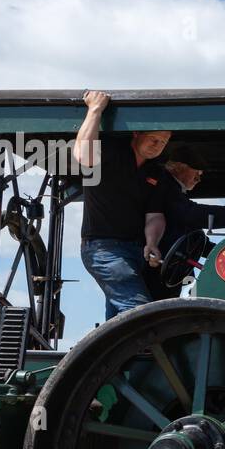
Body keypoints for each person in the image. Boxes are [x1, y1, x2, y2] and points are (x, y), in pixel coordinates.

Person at [72, 90, 170, 319]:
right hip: (104, 250)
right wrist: (95, 109)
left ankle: (116, 355)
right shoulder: (112, 151)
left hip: (134, 253)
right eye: (154, 138)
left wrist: (152, 243)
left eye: (164, 142)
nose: (158, 145)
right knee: (141, 314)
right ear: (136, 133)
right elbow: (82, 154)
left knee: (118, 322)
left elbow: (154, 215)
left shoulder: (156, 173)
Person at [144, 147, 225, 299]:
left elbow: (195, 239)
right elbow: (188, 214)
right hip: (157, 266)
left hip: (171, 270)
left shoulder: (174, 191)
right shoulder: (165, 184)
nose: (198, 179)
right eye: (196, 173)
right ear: (179, 167)